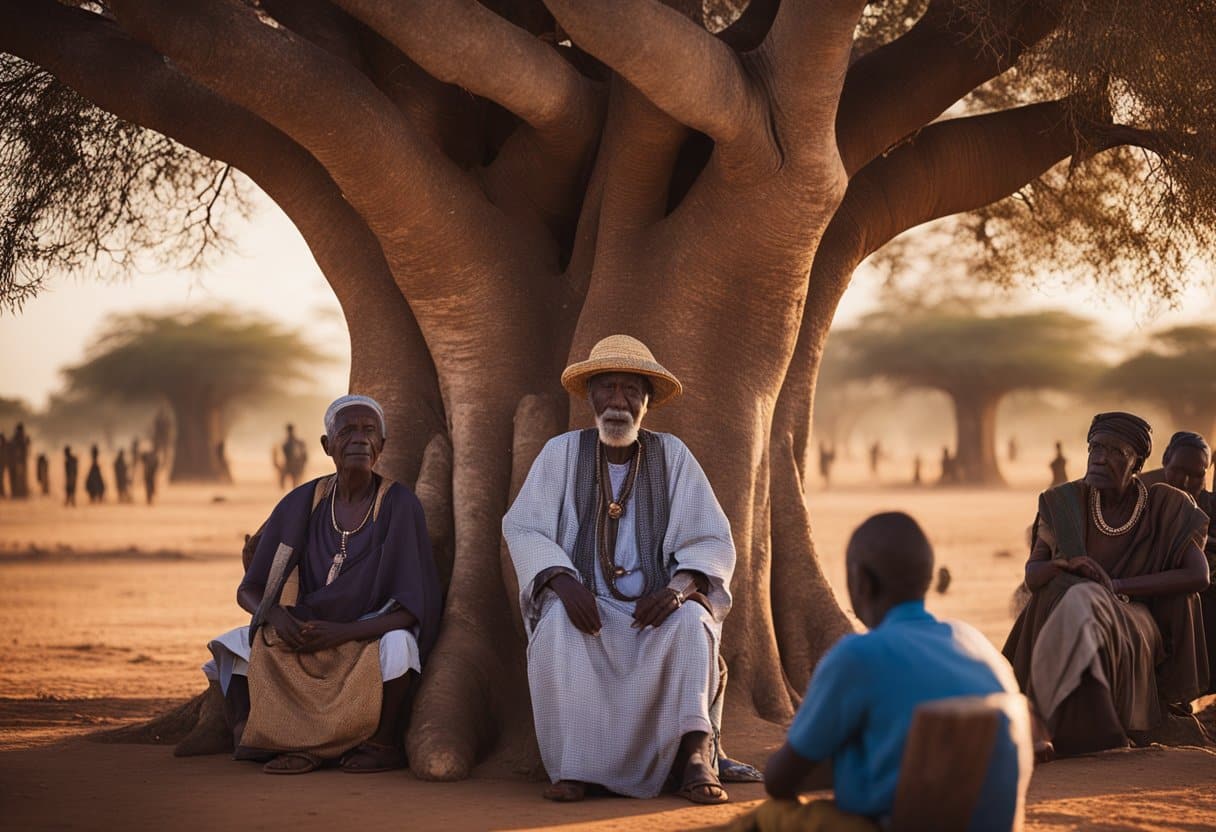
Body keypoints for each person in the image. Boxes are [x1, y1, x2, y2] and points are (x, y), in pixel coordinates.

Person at [503, 334, 736, 804]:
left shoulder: (673, 456)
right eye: (607, 388)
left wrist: (676, 591)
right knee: (556, 629)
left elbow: (711, 539)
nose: (618, 401)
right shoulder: (561, 454)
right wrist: (563, 583)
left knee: (694, 623)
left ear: (647, 402)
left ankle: (694, 755)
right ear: (589, 397)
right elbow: (524, 527)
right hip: (585, 607)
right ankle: (576, 766)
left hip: (657, 613)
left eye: (631, 390)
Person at [201, 395, 441, 774]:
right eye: (347, 431)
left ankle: (382, 743)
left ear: (382, 444)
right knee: (230, 650)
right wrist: (277, 618)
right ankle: (252, 733)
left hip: (367, 634)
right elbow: (249, 590)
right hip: (304, 628)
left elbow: (413, 606)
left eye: (368, 431)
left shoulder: (399, 504)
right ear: (327, 446)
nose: (359, 439)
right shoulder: (302, 502)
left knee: (401, 649)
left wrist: (344, 632)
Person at [755, 512, 1029, 831]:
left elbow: (779, 781)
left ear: (861, 582)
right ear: (928, 578)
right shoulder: (978, 645)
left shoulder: (857, 656)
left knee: (770, 818)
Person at [1003, 413, 1210, 758]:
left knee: (1084, 598)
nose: (1100, 458)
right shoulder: (1063, 503)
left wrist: (1116, 585)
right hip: (1075, 616)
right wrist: (1062, 564)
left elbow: (1198, 576)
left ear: (1138, 464)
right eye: (1095, 448)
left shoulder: (1165, 506)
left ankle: (1048, 724)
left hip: (1139, 623)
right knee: (1079, 600)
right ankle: (1092, 728)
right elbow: (1033, 576)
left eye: (1116, 451)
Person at [1140, 431, 1216, 693]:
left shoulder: (1210, 506)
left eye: (1197, 474)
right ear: (1164, 461)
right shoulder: (1142, 499)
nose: (1184, 481)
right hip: (1148, 593)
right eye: (1178, 470)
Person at [278, 423, 309, 489]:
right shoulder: (294, 442)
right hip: (290, 464)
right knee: (290, 481)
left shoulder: (297, 442)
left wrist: (302, 463)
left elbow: (304, 454)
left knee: (294, 481)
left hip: (294, 464)